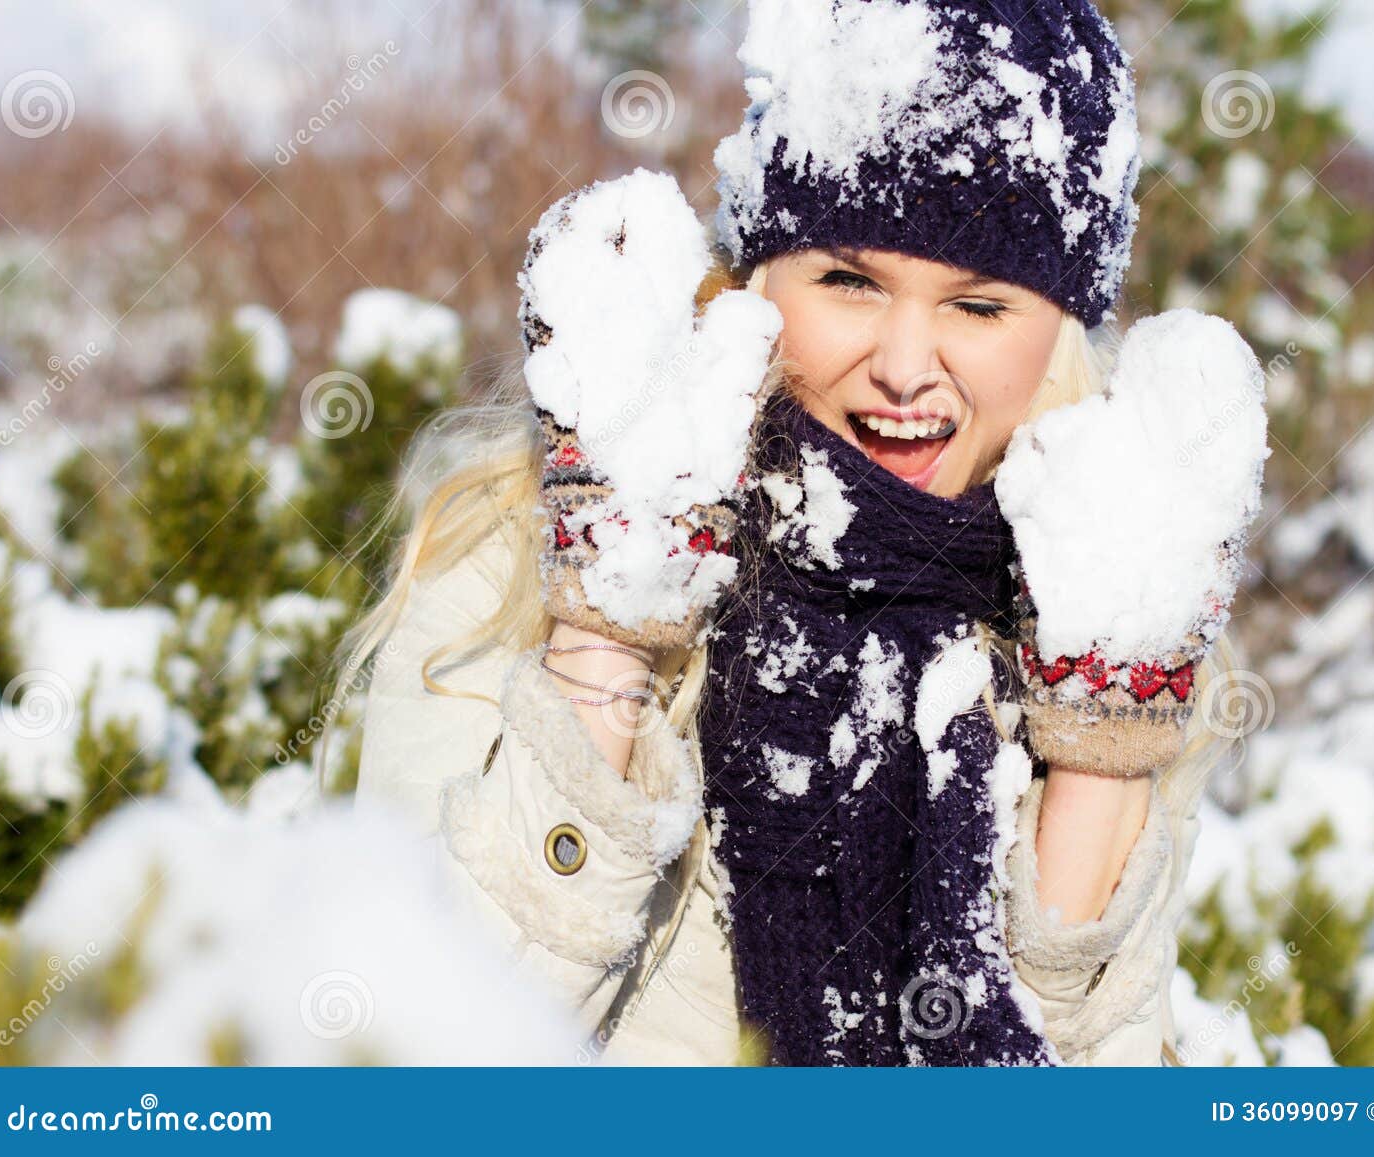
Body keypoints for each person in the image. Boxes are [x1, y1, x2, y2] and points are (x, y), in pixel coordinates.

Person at [344, 0, 1266, 1066]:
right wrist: (611, 622)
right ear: (757, 273)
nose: (907, 366)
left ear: (1059, 327)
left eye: (978, 306)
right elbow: (411, 1060)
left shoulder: (1099, 617)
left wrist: (1098, 756)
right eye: (850, 282)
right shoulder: (514, 551)